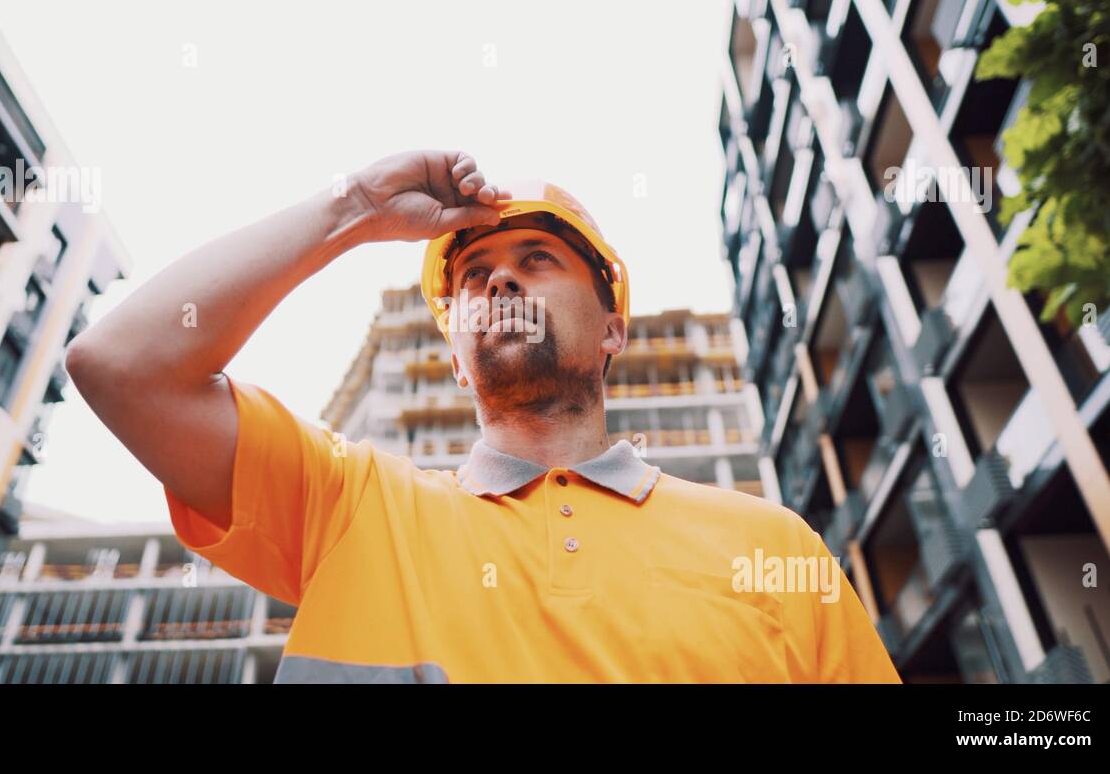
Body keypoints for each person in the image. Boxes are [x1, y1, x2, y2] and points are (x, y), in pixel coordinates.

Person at [66, 149, 901, 683]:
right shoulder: (352, 508)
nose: (499, 280)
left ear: (612, 328)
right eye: (474, 275)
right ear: (459, 359)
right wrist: (355, 209)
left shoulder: (774, 549)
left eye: (537, 258)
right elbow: (122, 366)